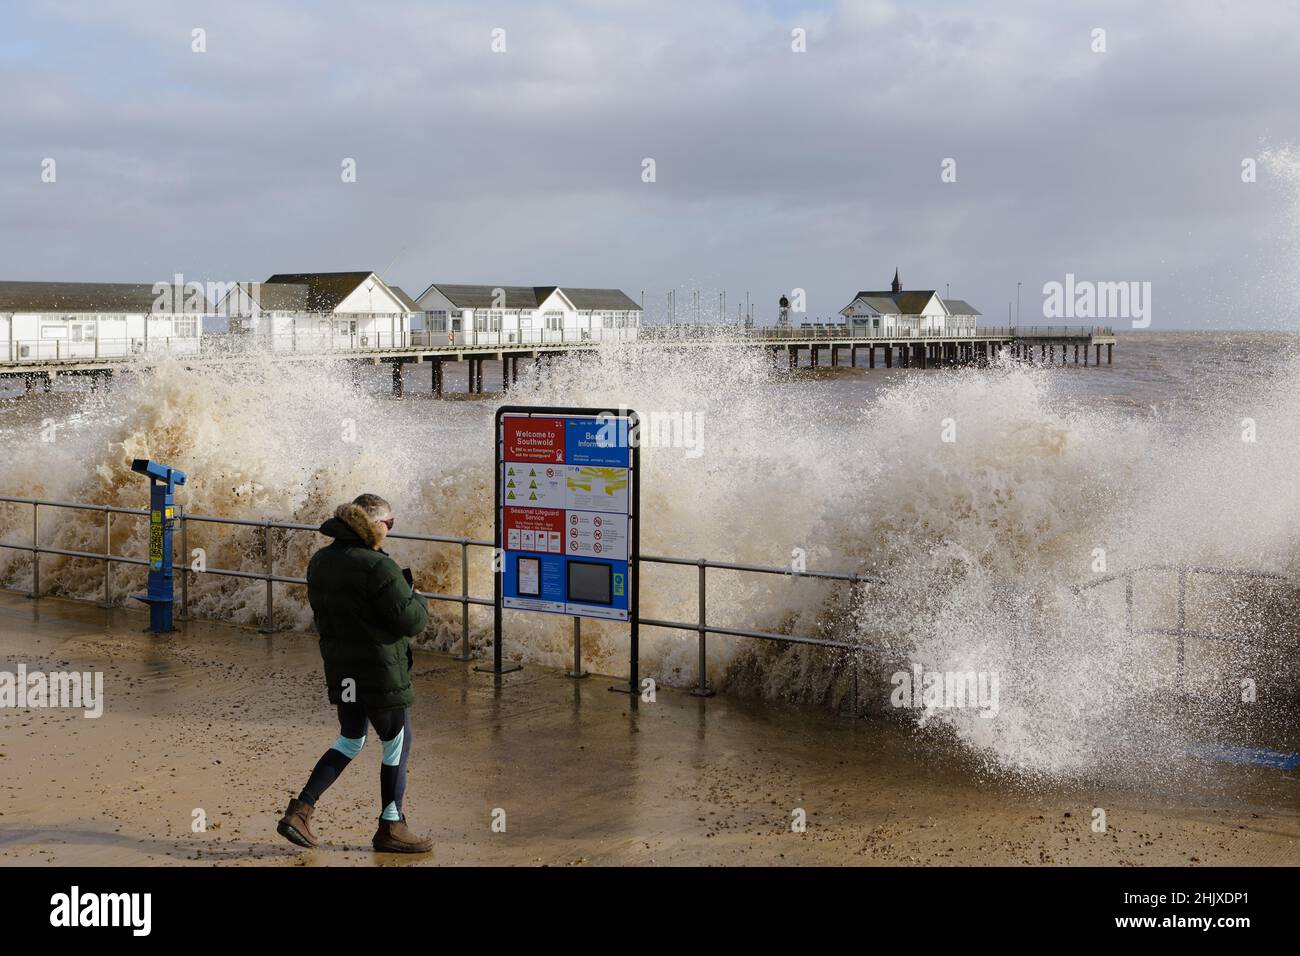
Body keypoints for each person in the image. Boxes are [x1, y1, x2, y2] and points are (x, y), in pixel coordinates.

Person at [277, 494, 433, 853]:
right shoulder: (379, 567)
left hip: (343, 670)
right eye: (389, 524)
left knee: (351, 739)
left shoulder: (320, 561)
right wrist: (418, 599)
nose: (390, 531)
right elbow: (411, 621)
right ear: (375, 525)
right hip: (380, 673)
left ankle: (301, 810)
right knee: (396, 742)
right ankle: (391, 826)